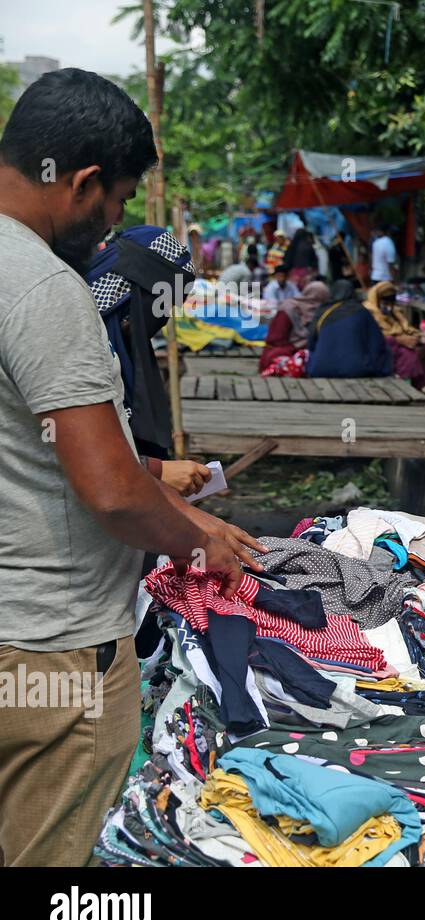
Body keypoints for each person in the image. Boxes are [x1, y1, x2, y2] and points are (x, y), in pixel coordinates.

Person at [0, 68, 266, 867]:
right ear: (81, 181)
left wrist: (182, 510)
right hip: (52, 648)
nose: (116, 222)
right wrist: (196, 545)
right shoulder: (45, 287)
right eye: (116, 201)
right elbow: (111, 493)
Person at [86, 224, 212, 495]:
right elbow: (77, 455)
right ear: (135, 298)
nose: (164, 317)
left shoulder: (118, 346)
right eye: (162, 306)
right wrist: (156, 471)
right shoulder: (82, 349)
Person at [364, 280, 425, 401]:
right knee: (408, 354)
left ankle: (416, 387)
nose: (388, 305)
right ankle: (404, 389)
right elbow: (372, 336)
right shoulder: (368, 312)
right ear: (377, 298)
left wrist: (419, 336)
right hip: (382, 346)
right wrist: (398, 340)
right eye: (384, 301)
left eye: (390, 302)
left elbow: (406, 328)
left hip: (399, 342)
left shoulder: (395, 312)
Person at [306, 280, 393, 379]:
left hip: (320, 369)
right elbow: (377, 344)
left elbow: (310, 343)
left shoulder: (322, 311)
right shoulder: (362, 312)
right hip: (356, 370)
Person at [259, 280, 331, 377]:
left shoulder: (322, 313)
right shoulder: (288, 308)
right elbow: (275, 339)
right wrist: (297, 347)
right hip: (281, 352)